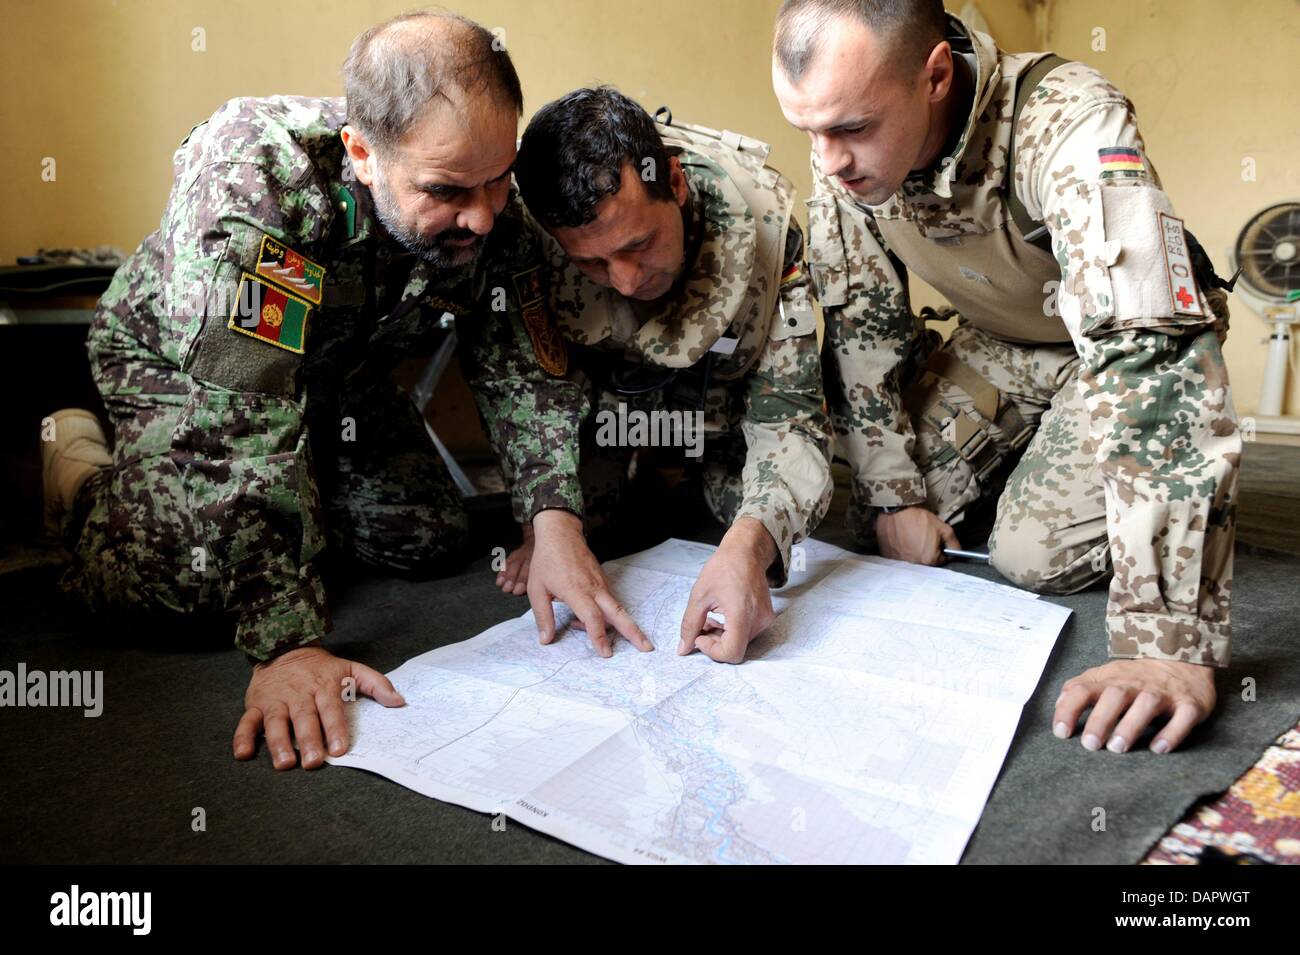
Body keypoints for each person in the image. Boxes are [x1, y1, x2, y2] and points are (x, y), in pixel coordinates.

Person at [40, 10, 637, 772]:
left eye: (499, 179)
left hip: (336, 383)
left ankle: (302, 501)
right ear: (362, 152)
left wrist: (552, 520)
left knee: (426, 537)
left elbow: (521, 362)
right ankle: (82, 480)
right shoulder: (261, 183)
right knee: (183, 582)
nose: (484, 216)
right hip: (183, 371)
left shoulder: (484, 189)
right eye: (448, 190)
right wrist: (287, 641)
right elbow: (242, 410)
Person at [772, 0, 1240, 753]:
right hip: (1000, 342)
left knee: (1031, 554)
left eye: (851, 129)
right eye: (810, 133)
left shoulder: (1068, 119)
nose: (828, 162)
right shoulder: (842, 152)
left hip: (1106, 352)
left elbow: (1146, 346)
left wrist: (1166, 641)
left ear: (933, 76)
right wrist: (895, 496)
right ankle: (1035, 456)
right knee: (864, 507)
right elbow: (861, 332)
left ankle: (1084, 476)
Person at [506, 86, 833, 664]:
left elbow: (790, 419)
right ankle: (646, 483)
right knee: (574, 532)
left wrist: (750, 548)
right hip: (609, 420)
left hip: (722, 422)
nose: (627, 282)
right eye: (592, 263)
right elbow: (529, 385)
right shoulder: (524, 233)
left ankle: (682, 485)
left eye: (639, 244)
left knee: (763, 518)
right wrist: (547, 512)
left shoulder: (768, 229)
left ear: (675, 185)